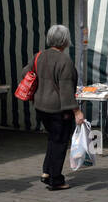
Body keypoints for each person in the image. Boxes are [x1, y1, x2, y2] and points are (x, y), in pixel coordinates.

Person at [29, 24, 85, 191]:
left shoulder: (38, 56)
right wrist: (77, 111)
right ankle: (56, 180)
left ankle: (47, 172)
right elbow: (67, 92)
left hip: (41, 106)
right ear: (65, 40)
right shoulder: (64, 60)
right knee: (59, 142)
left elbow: (25, 74)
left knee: (53, 139)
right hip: (58, 110)